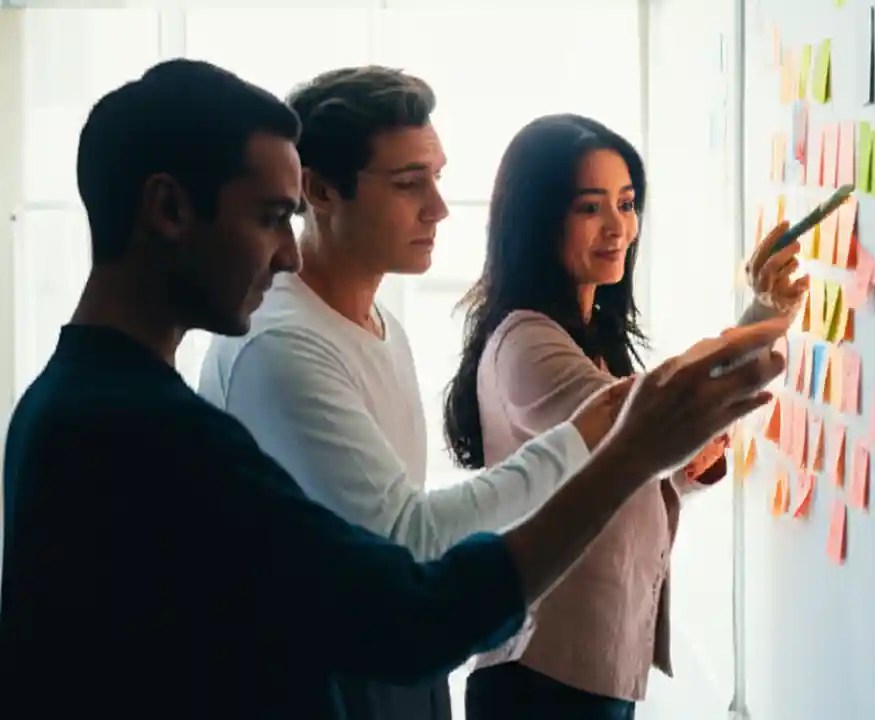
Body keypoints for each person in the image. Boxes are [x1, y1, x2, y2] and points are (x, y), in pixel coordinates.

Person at [0, 59, 789, 719]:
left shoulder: (111, 403)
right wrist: (621, 451)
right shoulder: (137, 423)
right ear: (169, 209)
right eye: (272, 217)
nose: (284, 259)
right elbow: (408, 599)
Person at [197, 65, 586, 719]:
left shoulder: (382, 326)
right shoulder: (281, 347)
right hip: (310, 687)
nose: (437, 207)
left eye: (437, 177)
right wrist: (588, 441)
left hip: (389, 662)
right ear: (318, 191)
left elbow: (399, 518)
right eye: (410, 184)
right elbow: (407, 537)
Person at [443, 114, 808, 719]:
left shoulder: (591, 336)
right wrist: (763, 313)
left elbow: (639, 465)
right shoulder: (526, 343)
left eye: (627, 202)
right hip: (544, 671)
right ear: (537, 221)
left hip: (597, 659)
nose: (618, 227)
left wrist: (687, 468)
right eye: (590, 208)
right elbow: (647, 423)